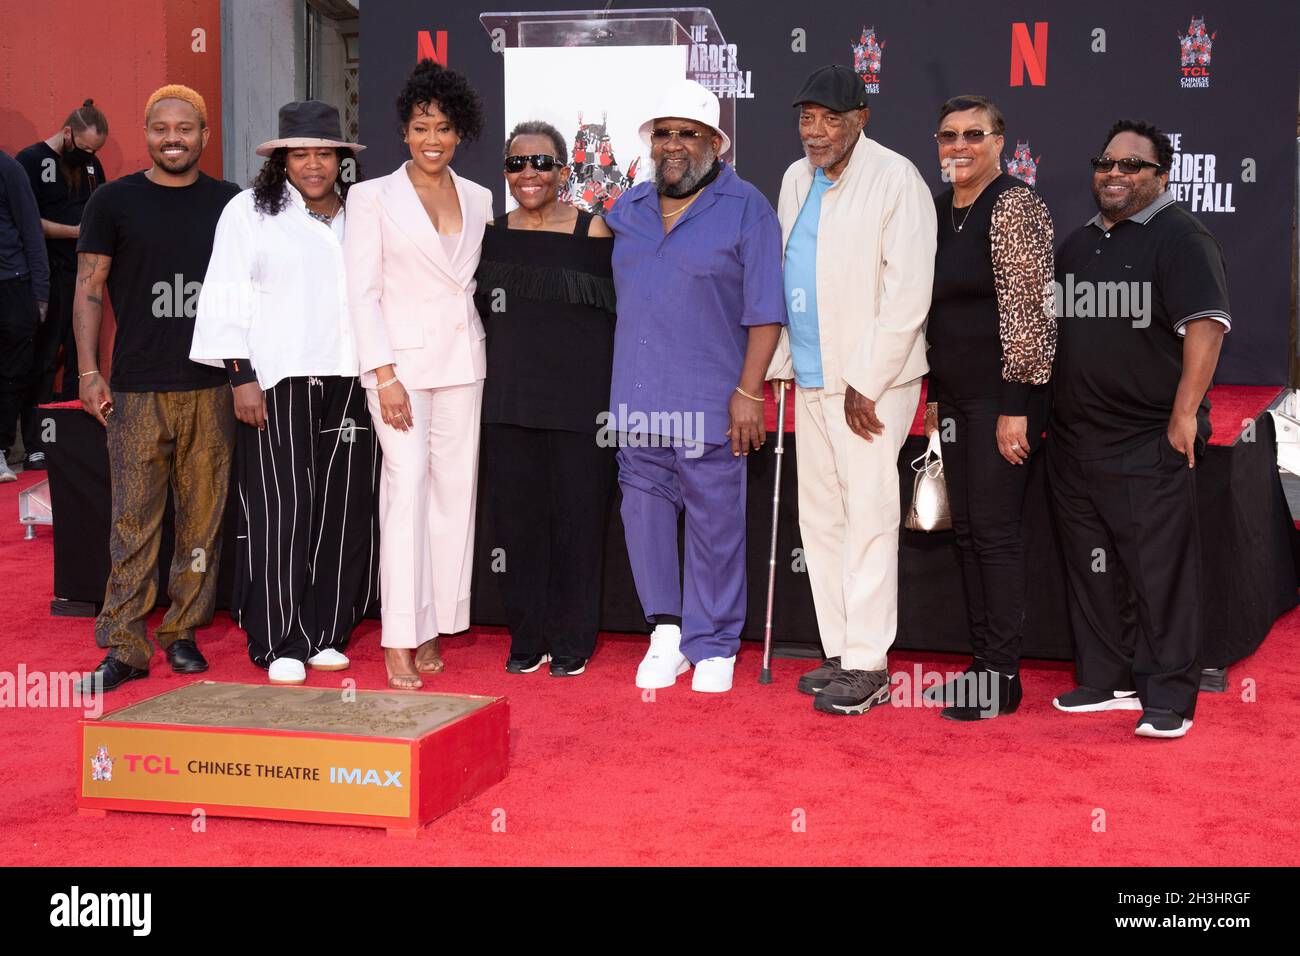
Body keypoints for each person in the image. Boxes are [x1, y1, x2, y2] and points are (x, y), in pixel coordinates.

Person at [1048, 119, 1228, 740]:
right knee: (1092, 568)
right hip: (1074, 441)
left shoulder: (1182, 237)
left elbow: (1206, 327)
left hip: (1147, 437)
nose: (1114, 174)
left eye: (1131, 166)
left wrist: (1185, 414)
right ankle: (1106, 677)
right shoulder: (1077, 244)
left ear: (1160, 175)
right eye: (1107, 163)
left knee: (1160, 572)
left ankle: (1168, 695)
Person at [190, 100, 379, 685]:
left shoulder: (363, 213)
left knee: (342, 510)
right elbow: (224, 293)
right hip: (276, 380)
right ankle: (277, 639)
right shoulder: (249, 211)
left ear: (342, 158)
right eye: (301, 153)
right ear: (282, 158)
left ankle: (325, 631)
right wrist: (240, 375)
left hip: (352, 376)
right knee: (280, 510)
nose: (314, 164)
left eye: (325, 153)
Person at [767, 65, 937, 716]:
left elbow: (908, 294)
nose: (816, 131)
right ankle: (838, 649)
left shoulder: (897, 179)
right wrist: (784, 364)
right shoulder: (792, 179)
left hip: (872, 384)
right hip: (809, 377)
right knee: (823, 519)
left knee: (867, 517)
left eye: (830, 118)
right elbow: (789, 280)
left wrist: (867, 380)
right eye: (807, 117)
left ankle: (869, 662)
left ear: (860, 120)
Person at [606, 79, 785, 694]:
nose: (674, 145)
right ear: (651, 143)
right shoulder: (624, 212)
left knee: (716, 523)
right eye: (664, 134)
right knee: (644, 517)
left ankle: (713, 643)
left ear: (715, 143)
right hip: (636, 399)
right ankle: (667, 631)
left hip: (713, 400)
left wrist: (749, 391)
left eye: (688, 134)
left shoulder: (747, 208)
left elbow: (765, 311)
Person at [72, 86, 240, 694]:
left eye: (186, 128)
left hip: (212, 384)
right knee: (132, 520)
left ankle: (183, 631)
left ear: (204, 134)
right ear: (146, 133)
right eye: (161, 128)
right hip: (137, 386)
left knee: (202, 519)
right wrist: (89, 371)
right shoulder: (112, 201)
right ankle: (124, 643)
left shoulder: (232, 203)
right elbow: (90, 286)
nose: (174, 138)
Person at [344, 59, 493, 690]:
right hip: (399, 369)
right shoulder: (371, 196)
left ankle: (434, 621)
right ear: (404, 131)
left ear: (460, 133)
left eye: (444, 127)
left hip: (463, 362)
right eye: (421, 125)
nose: (433, 138)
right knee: (404, 491)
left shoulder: (482, 197)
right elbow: (362, 293)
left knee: (452, 496)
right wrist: (382, 374)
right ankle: (398, 635)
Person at [919, 95, 1056, 721]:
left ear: (1000, 141)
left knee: (996, 534)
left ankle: (1004, 676)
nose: (960, 146)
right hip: (952, 396)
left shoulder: (1016, 205)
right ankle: (982, 664)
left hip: (1005, 400)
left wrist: (1017, 405)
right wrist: (933, 398)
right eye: (949, 136)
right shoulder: (938, 209)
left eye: (975, 134)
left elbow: (1030, 313)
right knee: (969, 531)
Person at [473, 120, 616, 677]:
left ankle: (573, 638)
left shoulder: (596, 233)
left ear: (563, 170)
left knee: (579, 525)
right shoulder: (489, 235)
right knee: (518, 527)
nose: (528, 173)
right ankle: (527, 637)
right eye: (517, 163)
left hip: (584, 409)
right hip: (509, 406)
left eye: (541, 162)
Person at [16, 100, 109, 470]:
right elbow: (27, 220)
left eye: (95, 151)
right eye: (85, 147)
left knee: (79, 357)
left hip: (84, 275)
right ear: (68, 132)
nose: (89, 155)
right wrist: (75, 233)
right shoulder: (32, 160)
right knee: (42, 358)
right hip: (47, 274)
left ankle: (74, 436)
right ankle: (35, 441)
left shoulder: (90, 164)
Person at [0, 150, 49, 482]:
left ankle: (1, 450)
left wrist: (41, 292)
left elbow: (32, 230)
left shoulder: (9, 170)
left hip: (12, 286)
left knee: (11, 374)